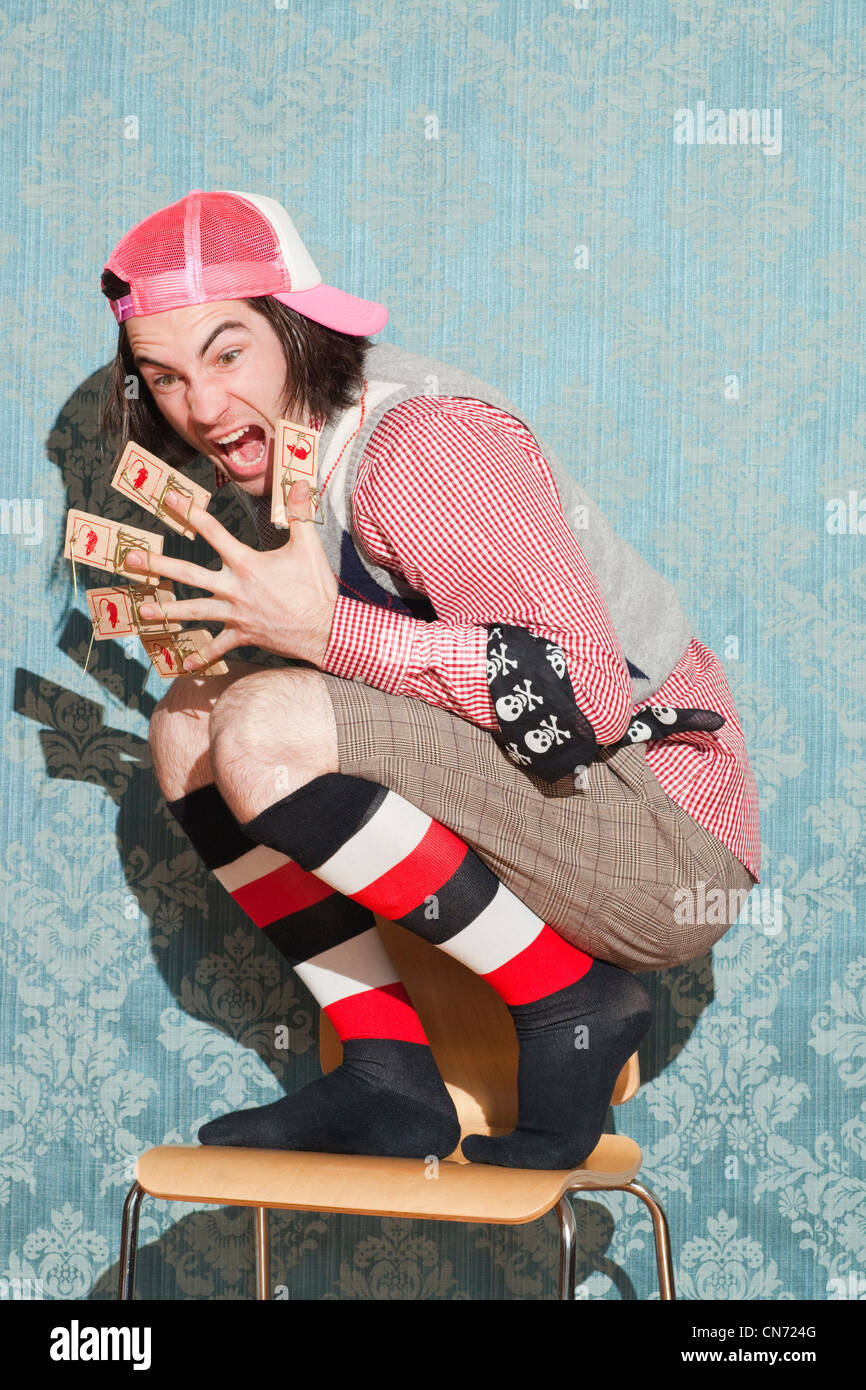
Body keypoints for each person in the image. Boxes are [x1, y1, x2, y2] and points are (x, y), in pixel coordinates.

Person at [98, 189, 760, 1170]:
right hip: (553, 805)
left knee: (259, 724)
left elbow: (581, 697)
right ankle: (388, 1077)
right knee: (191, 725)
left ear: (292, 325)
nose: (199, 407)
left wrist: (328, 632)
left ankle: (568, 1004)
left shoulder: (416, 448)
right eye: (164, 376)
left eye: (227, 352)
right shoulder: (294, 461)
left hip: (660, 837)